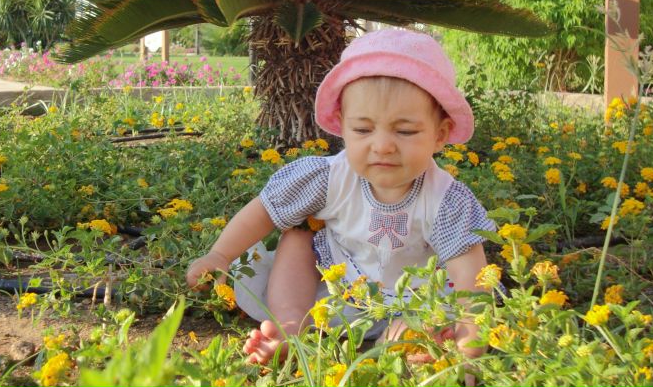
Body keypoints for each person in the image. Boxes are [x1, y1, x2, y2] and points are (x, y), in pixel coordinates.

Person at [186, 28, 495, 370]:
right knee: (298, 235)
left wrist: (469, 349)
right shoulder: (329, 178)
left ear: (440, 134)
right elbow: (266, 210)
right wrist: (220, 254)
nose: (382, 146)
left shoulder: (445, 200)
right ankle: (290, 327)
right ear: (342, 126)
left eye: (405, 131)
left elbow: (472, 280)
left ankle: (404, 341)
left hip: (419, 297)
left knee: (421, 330)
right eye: (363, 130)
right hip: (339, 288)